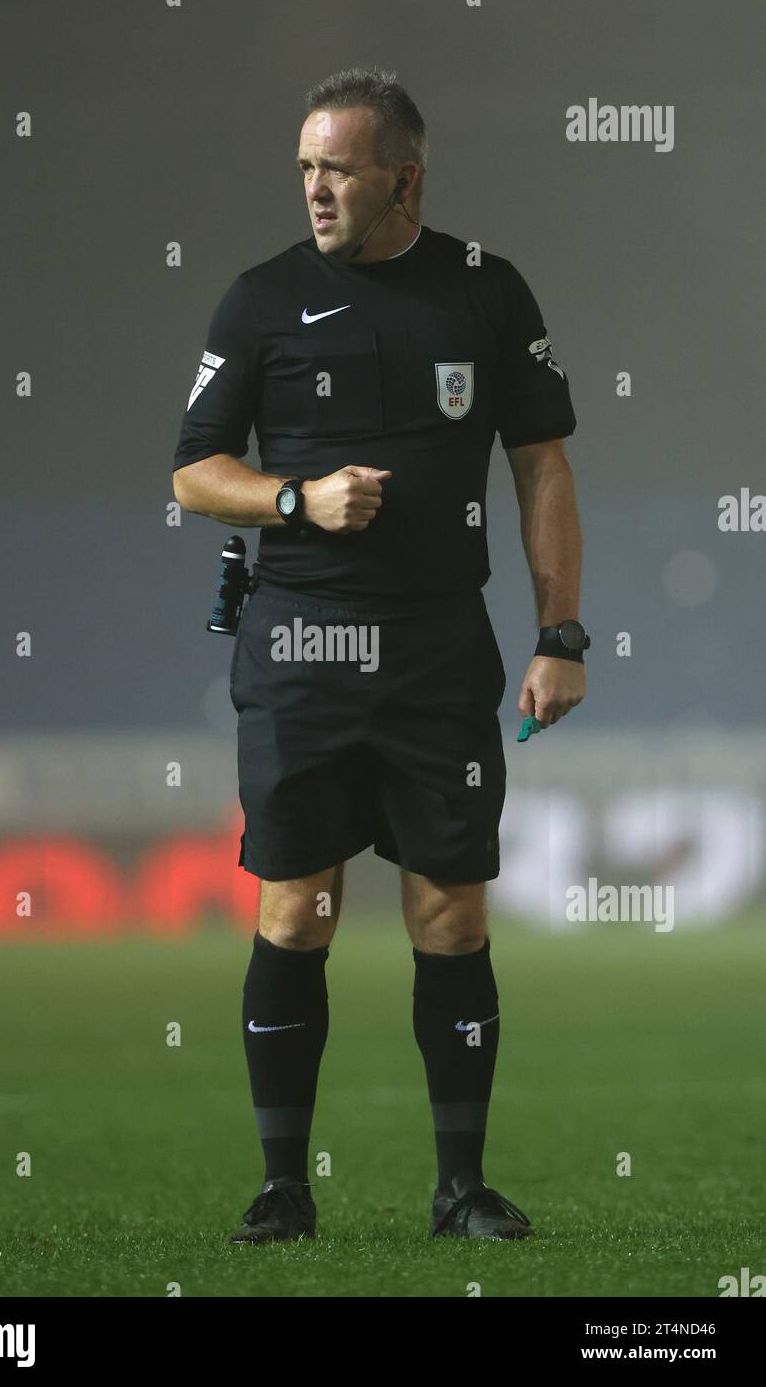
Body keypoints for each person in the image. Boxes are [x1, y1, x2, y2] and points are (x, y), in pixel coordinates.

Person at [172, 67, 587, 1242]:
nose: (314, 188)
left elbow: (542, 465)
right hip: (299, 647)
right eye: (304, 166)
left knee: (451, 917)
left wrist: (560, 635)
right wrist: (298, 498)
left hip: (437, 652)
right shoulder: (258, 300)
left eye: (338, 168)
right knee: (297, 913)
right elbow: (195, 471)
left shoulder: (485, 292)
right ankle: (283, 1185)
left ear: (404, 178)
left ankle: (460, 1190)